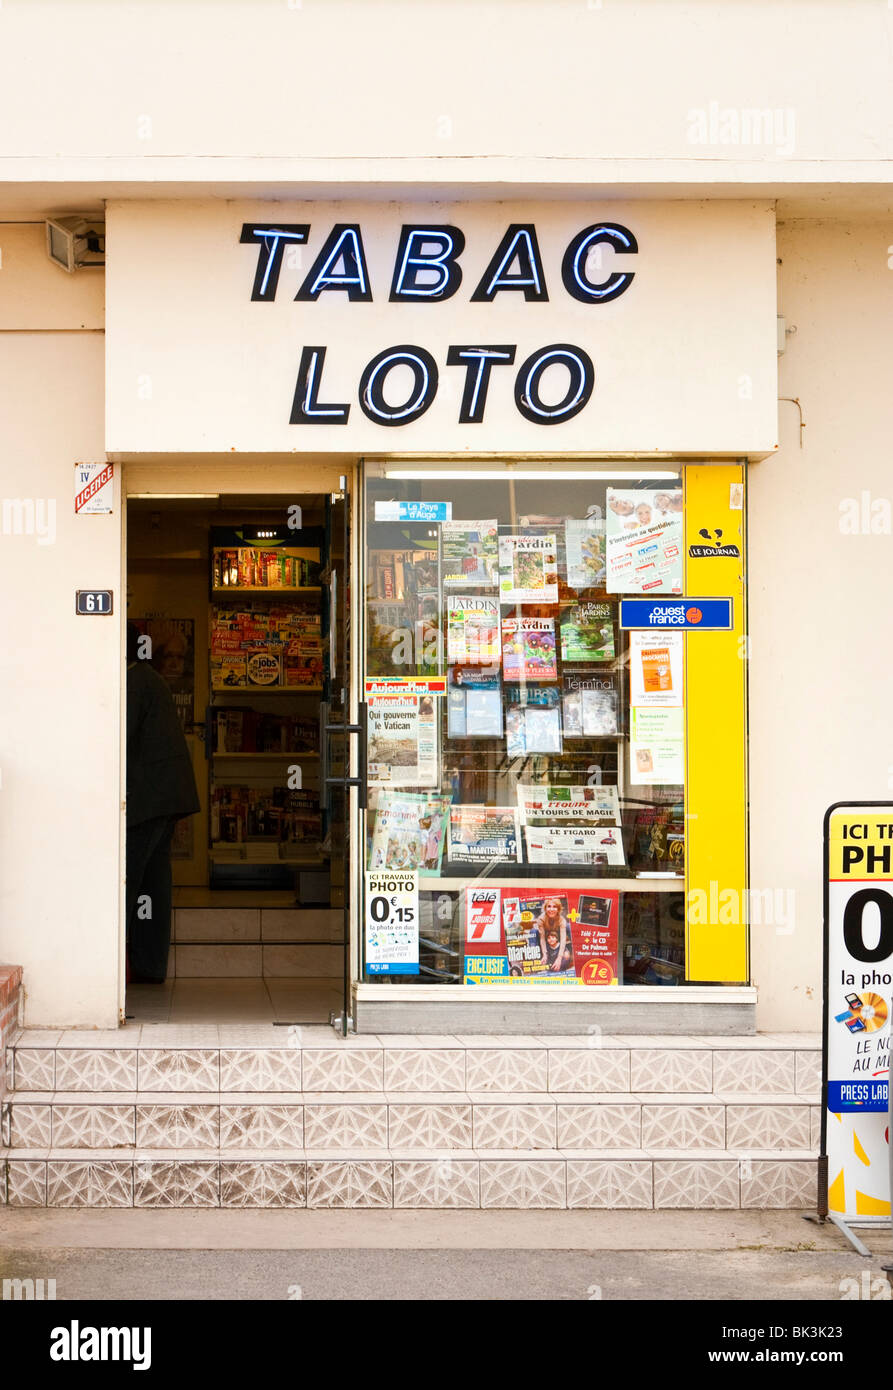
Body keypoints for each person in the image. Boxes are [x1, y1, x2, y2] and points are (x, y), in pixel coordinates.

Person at [126, 622, 200, 983]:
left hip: (145, 800)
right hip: (164, 798)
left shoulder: (134, 681)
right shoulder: (149, 681)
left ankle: (117, 966)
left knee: (128, 881)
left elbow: (120, 738)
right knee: (154, 883)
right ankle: (150, 966)